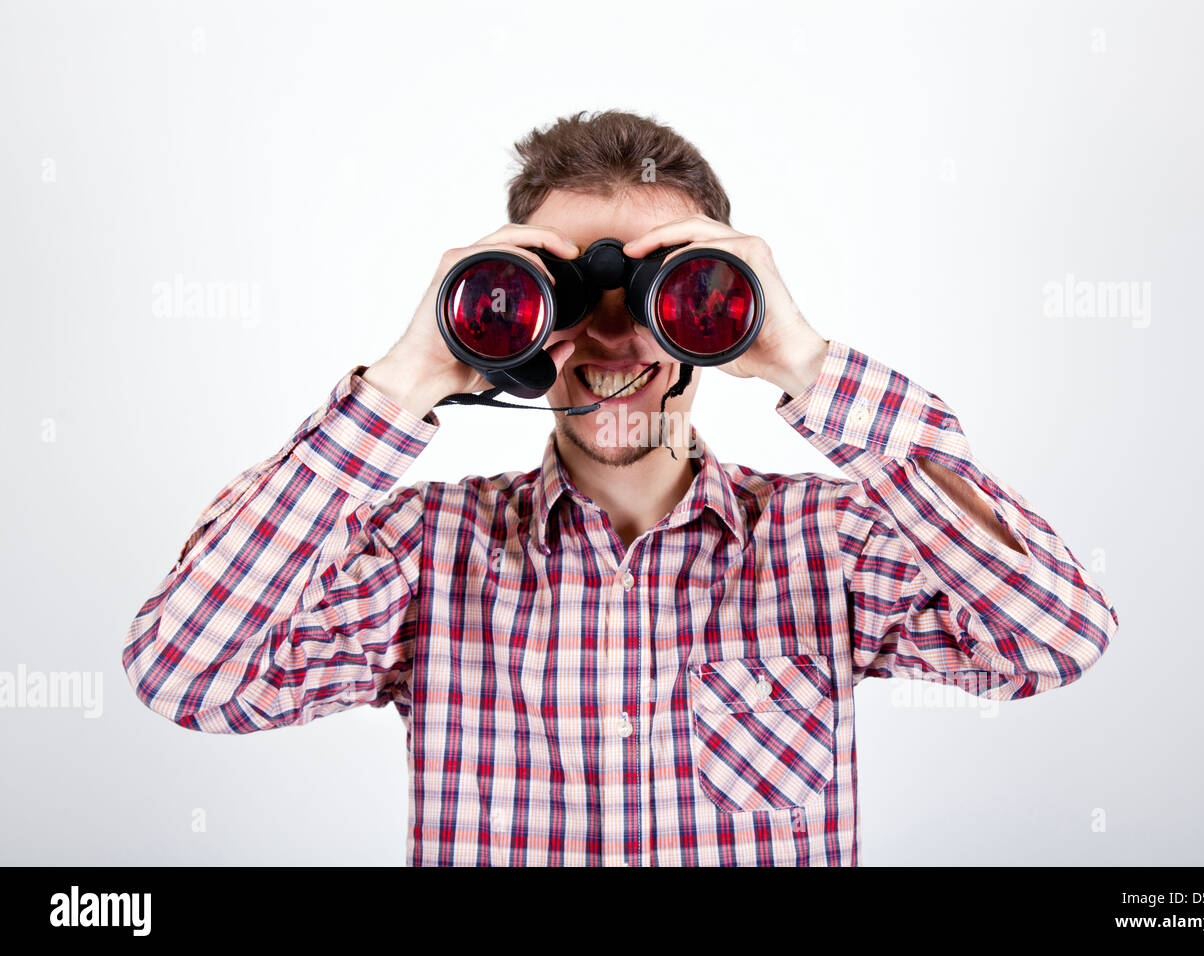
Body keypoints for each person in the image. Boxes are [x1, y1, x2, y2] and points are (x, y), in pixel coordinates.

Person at [123, 110, 1118, 866]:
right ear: (506, 314)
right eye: (558, 297)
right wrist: (405, 380)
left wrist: (805, 360)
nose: (610, 337)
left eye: (666, 295)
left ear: (726, 308)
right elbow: (187, 673)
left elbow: (1057, 636)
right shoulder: (423, 554)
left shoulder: (832, 540)